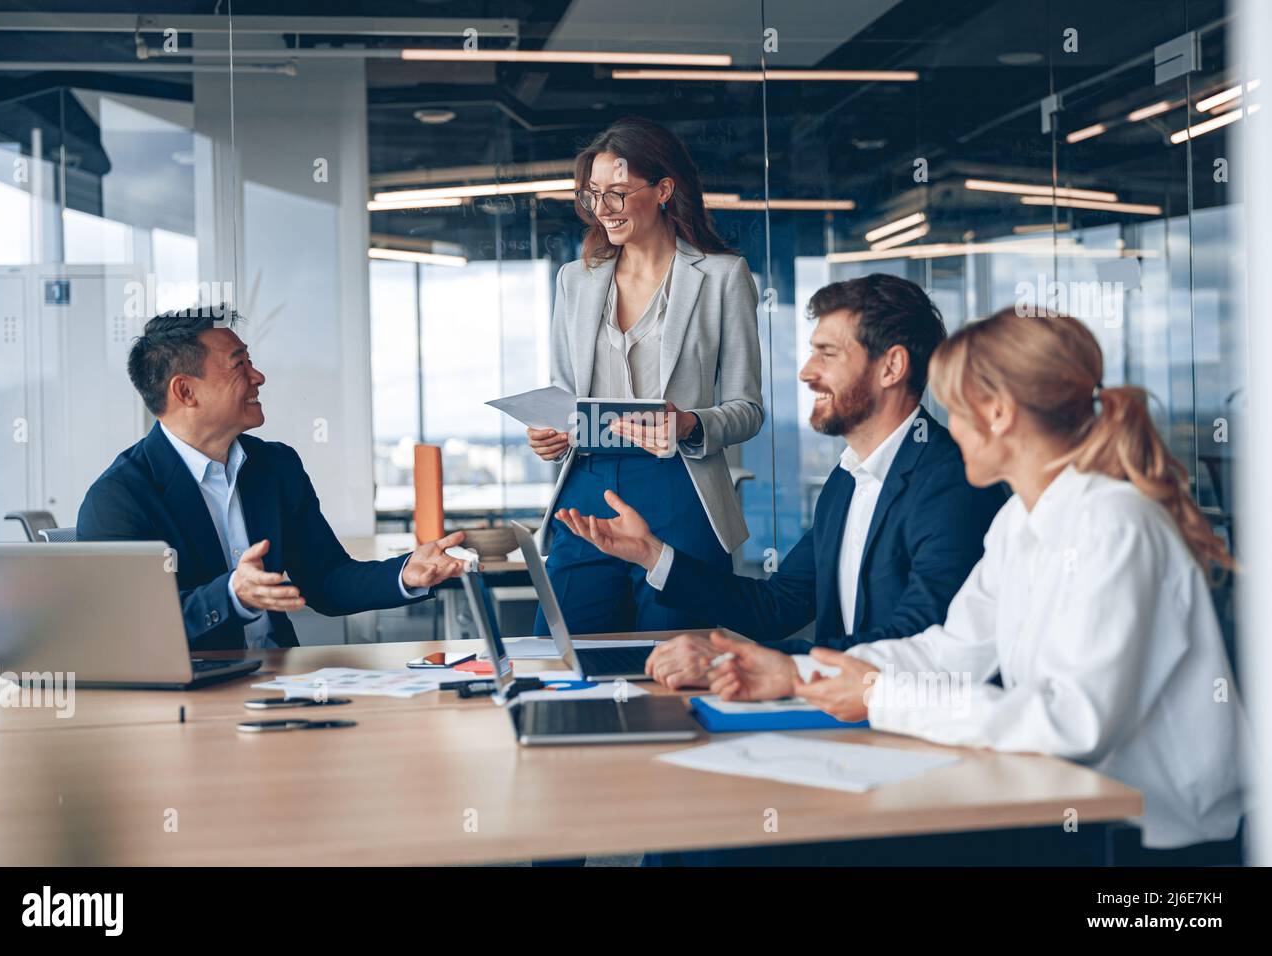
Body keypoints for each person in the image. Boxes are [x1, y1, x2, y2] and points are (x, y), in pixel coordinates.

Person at [711, 307, 1246, 858]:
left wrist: (878, 695)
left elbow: (1072, 721)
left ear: (997, 413)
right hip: (1069, 811)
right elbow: (950, 651)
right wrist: (798, 673)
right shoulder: (1021, 520)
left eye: (956, 410)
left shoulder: (1113, 522)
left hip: (1155, 841)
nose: (948, 430)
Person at [556, 274, 1006, 688]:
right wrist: (650, 553)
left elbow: (916, 640)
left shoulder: (953, 484)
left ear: (891, 367)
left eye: (827, 354)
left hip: (904, 726)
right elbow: (775, 607)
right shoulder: (848, 479)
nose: (806, 372)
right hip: (839, 713)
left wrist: (735, 662)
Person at [78, 307, 469, 651]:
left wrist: (404, 573)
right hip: (192, 694)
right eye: (240, 365)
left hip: (279, 680)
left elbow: (326, 580)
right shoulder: (118, 497)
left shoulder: (275, 466)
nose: (258, 377)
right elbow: (130, 627)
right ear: (185, 390)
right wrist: (232, 595)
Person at [525, 116, 763, 638]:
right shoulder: (576, 280)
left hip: (680, 486)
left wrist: (690, 424)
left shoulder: (723, 277)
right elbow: (564, 396)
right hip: (586, 487)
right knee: (561, 653)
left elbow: (747, 409)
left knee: (675, 659)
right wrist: (551, 433)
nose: (602, 210)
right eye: (592, 196)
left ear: (663, 190)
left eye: (617, 193)